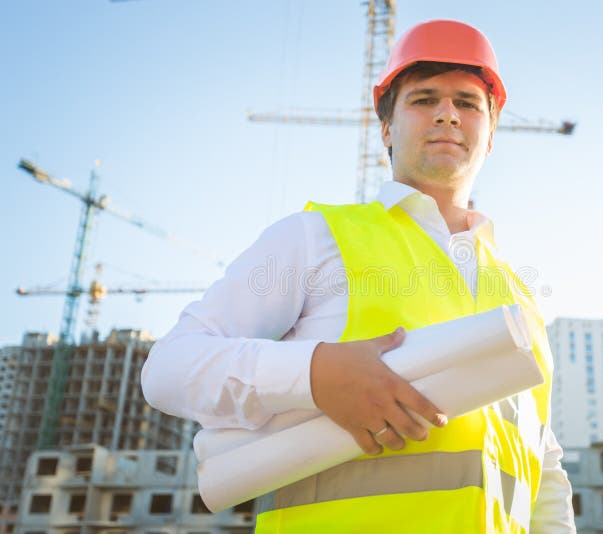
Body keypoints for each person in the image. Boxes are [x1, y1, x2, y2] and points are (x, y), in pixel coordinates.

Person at [143, 19, 575, 533]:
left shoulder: (520, 297)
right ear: (386, 129)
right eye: (424, 99)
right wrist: (315, 375)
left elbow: (543, 467)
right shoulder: (316, 237)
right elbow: (169, 367)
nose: (447, 114)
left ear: (491, 134)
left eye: (467, 103)